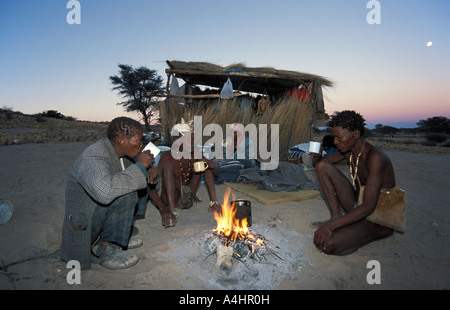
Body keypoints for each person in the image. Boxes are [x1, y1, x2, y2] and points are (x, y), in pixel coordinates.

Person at [61, 117, 163, 270]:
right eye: (138, 141)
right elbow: (105, 192)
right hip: (84, 220)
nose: (141, 145)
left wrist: (149, 172)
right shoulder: (94, 157)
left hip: (97, 211)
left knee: (135, 182)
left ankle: (113, 239)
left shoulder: (120, 153)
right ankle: (106, 250)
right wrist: (140, 167)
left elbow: (135, 178)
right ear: (122, 139)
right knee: (127, 190)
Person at [311, 110, 396, 255]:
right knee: (322, 167)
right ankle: (337, 216)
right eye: (334, 137)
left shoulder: (375, 158)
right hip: (358, 206)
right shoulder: (349, 151)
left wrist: (330, 227)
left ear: (355, 134)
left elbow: (369, 206)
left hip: (378, 218)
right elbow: (321, 165)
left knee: (327, 245)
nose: (335, 142)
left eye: (339, 137)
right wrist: (316, 157)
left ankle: (363, 232)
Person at [154, 123, 221, 219]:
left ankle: (214, 203)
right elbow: (154, 186)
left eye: (193, 140)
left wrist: (211, 165)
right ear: (177, 140)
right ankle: (172, 210)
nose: (193, 143)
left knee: (204, 165)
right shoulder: (167, 157)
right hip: (170, 200)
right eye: (189, 140)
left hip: (187, 198)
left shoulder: (195, 153)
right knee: (168, 164)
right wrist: (162, 208)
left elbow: (216, 174)